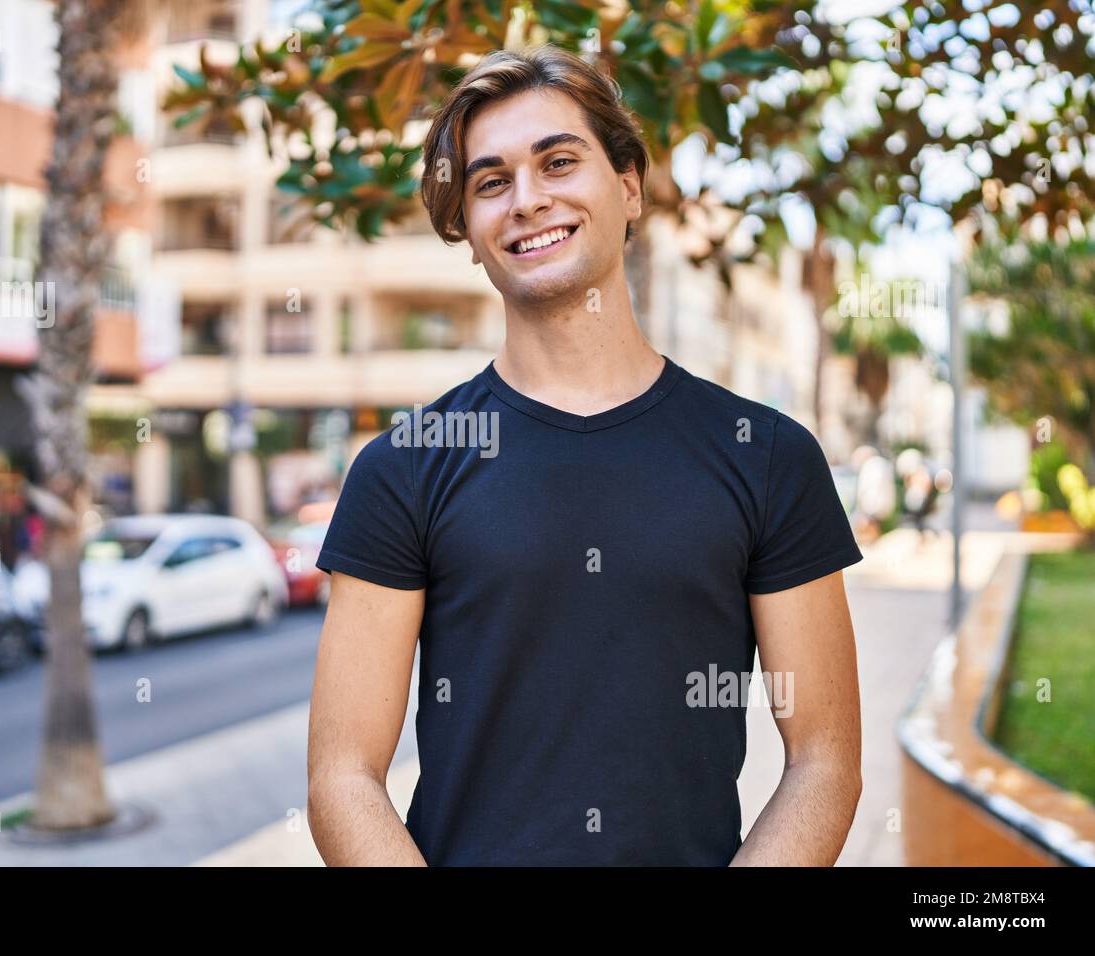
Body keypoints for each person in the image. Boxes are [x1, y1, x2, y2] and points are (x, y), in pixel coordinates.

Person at [307, 45, 864, 867]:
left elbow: (826, 762)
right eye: (491, 182)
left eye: (558, 162)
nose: (528, 200)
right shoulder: (405, 467)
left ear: (629, 185)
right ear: (470, 229)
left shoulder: (770, 458)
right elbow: (342, 776)